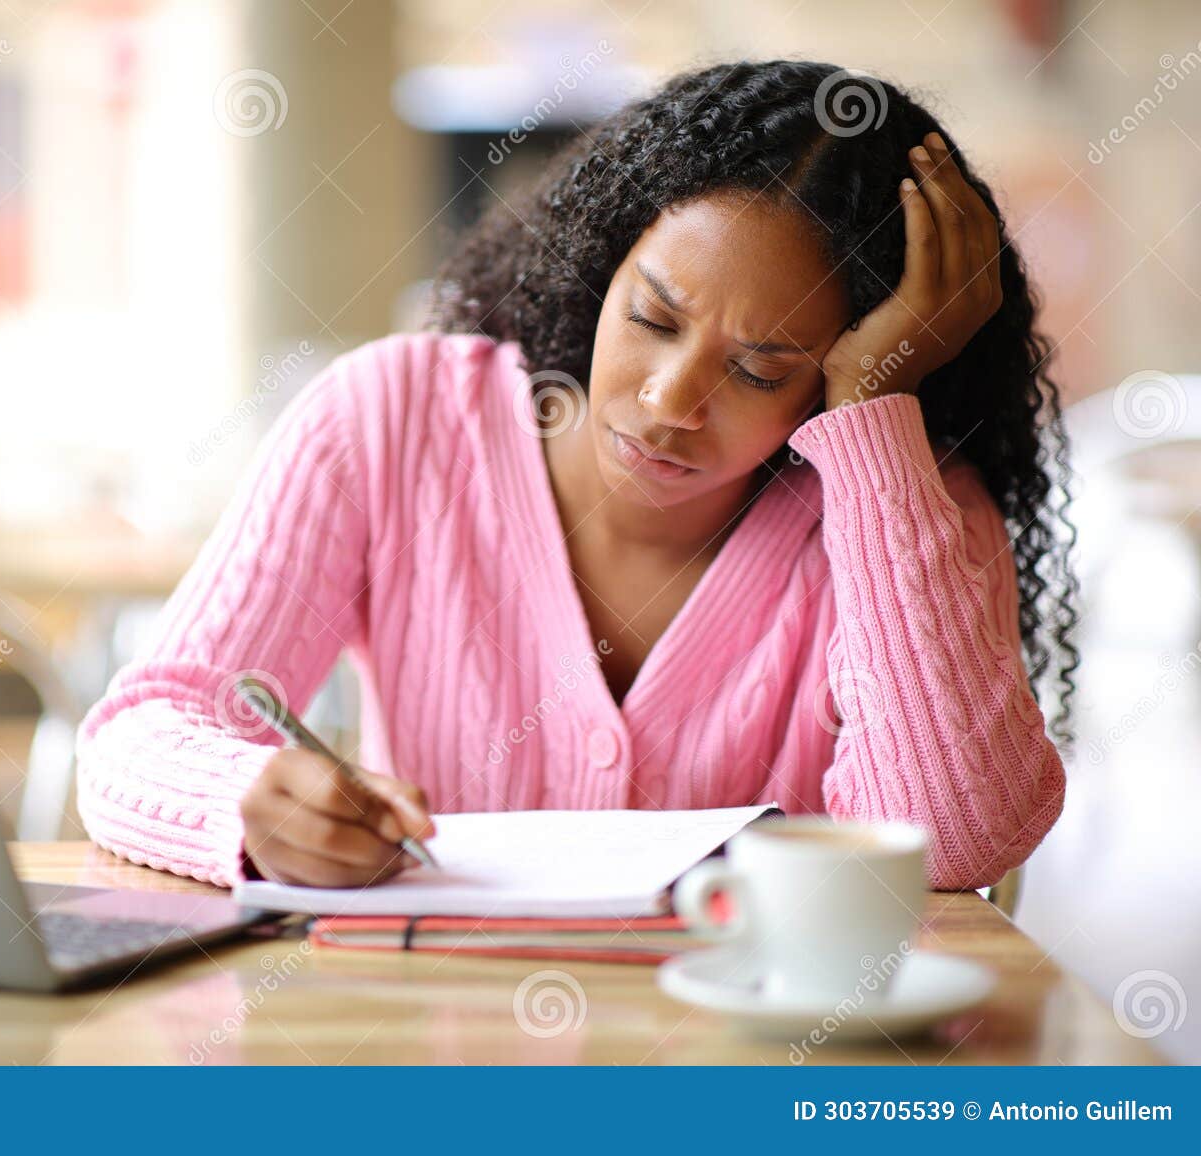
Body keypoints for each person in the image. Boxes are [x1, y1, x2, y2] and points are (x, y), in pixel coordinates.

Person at [76, 59, 1076, 893]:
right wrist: (244, 801)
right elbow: (134, 737)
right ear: (601, 269)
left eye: (759, 369)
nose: (669, 399)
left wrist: (871, 418)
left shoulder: (899, 502)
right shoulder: (392, 420)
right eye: (651, 318)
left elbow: (951, 842)